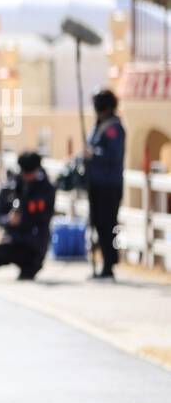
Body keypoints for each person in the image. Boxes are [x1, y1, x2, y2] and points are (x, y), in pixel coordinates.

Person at [0, 152, 55, 280]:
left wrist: (22, 220)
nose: (27, 176)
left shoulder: (46, 189)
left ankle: (29, 268)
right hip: (11, 242)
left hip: (34, 245)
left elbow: (44, 217)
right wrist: (9, 220)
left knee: (28, 274)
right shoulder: (10, 187)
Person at [85, 88, 125, 280]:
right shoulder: (98, 125)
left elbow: (112, 155)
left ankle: (109, 263)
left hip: (109, 184)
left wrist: (93, 154)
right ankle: (103, 262)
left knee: (107, 223)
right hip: (96, 183)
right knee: (98, 223)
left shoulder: (113, 128)